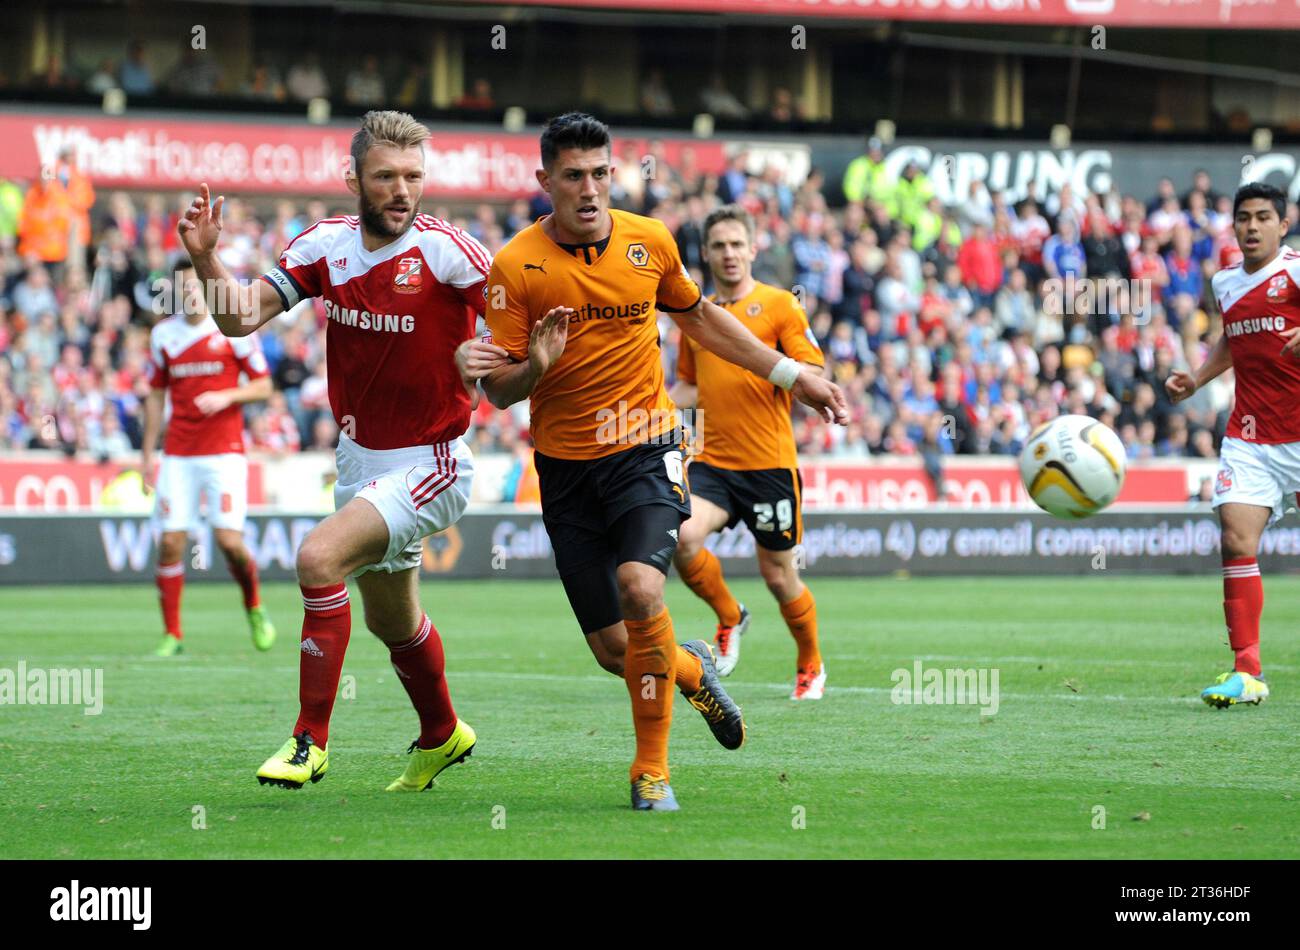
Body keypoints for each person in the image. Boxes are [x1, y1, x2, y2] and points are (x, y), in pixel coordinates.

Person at [461, 113, 847, 810]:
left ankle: (651, 771)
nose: (589, 189)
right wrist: (536, 366)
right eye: (573, 176)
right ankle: (693, 671)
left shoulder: (650, 241)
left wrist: (795, 376)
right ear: (545, 180)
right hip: (566, 467)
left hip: (646, 445)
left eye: (601, 173)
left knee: (643, 588)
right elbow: (496, 388)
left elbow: (701, 319)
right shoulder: (516, 265)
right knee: (616, 651)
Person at [178, 110, 490, 791]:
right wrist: (205, 256)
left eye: (413, 176)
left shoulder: (449, 252)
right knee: (391, 620)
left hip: (431, 459)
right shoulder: (326, 246)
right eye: (386, 176)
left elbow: (517, 315)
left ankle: (308, 742)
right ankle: (442, 733)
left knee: (318, 558)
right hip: (360, 461)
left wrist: (514, 361)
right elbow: (238, 316)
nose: (402, 190)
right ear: (354, 178)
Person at [669, 204, 828, 699]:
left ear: (754, 248)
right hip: (714, 460)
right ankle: (729, 615)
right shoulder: (698, 316)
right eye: (719, 245)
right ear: (707, 254)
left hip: (769, 466)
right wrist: (640, 404)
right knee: (681, 537)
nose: (729, 253)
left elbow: (813, 373)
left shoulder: (781, 305)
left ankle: (810, 662)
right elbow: (688, 387)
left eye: (737, 243)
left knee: (780, 578)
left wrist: (778, 370)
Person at [1166, 182, 1300, 708]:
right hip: (1250, 435)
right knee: (1236, 539)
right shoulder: (1224, 282)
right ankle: (1247, 672)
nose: (1251, 226)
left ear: (1282, 225)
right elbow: (1235, 337)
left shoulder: (1295, 271)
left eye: (1263, 217)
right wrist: (1197, 380)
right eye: (1244, 217)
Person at [142, 259, 275, 657]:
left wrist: (227, 396)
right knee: (169, 542)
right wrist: (147, 453)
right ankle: (173, 635)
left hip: (225, 452)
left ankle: (253, 606)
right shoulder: (164, 335)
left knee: (229, 542)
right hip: (179, 453)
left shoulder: (233, 330)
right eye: (181, 288)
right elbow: (153, 394)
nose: (188, 293)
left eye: (194, 286)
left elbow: (264, 386)